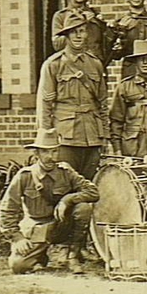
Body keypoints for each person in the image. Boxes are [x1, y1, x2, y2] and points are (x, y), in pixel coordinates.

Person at [0, 128, 100, 275]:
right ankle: (39, 257)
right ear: (36, 153)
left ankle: (72, 254)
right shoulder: (25, 176)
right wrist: (17, 237)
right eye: (46, 152)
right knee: (18, 266)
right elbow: (7, 210)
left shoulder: (65, 171)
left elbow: (93, 192)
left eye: (54, 151)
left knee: (83, 208)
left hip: (61, 226)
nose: (51, 157)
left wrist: (68, 199)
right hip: (37, 227)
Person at [37, 11, 109, 182]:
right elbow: (45, 105)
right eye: (73, 31)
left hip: (92, 136)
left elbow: (103, 103)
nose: (78, 35)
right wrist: (47, 140)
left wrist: (104, 136)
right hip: (65, 137)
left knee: (90, 186)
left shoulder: (95, 64)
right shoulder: (53, 65)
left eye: (82, 30)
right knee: (62, 184)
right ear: (66, 35)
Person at [51, 0, 110, 66]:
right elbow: (57, 45)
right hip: (71, 66)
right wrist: (76, 23)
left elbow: (106, 45)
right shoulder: (61, 16)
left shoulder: (95, 15)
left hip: (94, 67)